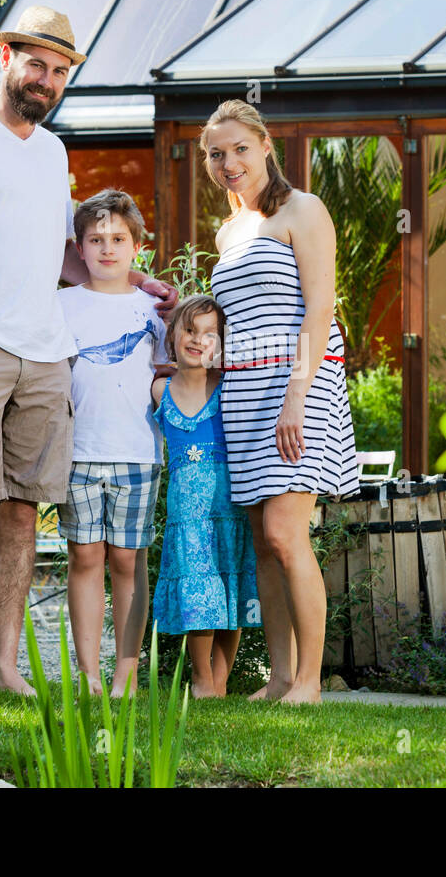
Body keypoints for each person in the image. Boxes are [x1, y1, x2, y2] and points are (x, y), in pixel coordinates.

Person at [0, 6, 175, 712]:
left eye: (60, 71)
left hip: (47, 355)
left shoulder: (51, 153)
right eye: (37, 64)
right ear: (6, 55)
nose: (47, 80)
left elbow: (59, 254)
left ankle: (2, 667)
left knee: (21, 516)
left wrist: (134, 280)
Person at [202, 100, 359, 705]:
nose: (229, 162)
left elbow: (320, 307)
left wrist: (297, 393)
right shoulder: (228, 230)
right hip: (243, 389)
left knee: (285, 531)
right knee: (262, 540)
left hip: (300, 382)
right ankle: (279, 677)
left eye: (240, 148)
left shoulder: (303, 210)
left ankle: (312, 682)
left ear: (266, 145)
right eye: (217, 154)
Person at [57, 189, 171, 697]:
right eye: (95, 239)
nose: (107, 248)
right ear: (78, 248)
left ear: (136, 246)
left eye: (118, 239)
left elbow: (173, 375)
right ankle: (87, 675)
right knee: (84, 557)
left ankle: (126, 671)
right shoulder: (61, 304)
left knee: (127, 560)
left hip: (137, 452)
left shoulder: (155, 309)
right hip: (77, 452)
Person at [151, 295, 261, 698]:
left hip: (228, 509)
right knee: (198, 591)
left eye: (209, 335)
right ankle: (200, 678)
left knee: (228, 588)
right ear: (174, 333)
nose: (198, 341)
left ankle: (220, 679)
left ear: (221, 344)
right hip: (189, 517)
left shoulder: (227, 387)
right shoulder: (160, 389)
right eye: (190, 330)